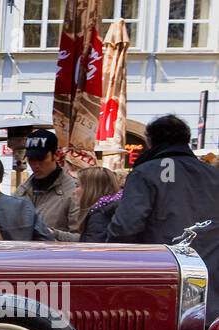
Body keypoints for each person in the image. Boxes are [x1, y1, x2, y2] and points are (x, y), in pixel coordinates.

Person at [109, 114, 219, 319]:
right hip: (211, 286)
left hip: (162, 282)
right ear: (186, 140)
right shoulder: (213, 175)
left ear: (150, 142)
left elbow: (124, 228)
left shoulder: (145, 173)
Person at [16, 129, 82, 240]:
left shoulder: (73, 191)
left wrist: (53, 234)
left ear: (56, 155)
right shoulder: (22, 191)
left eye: (41, 159)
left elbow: (81, 238)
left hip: (57, 256)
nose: (35, 165)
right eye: (31, 159)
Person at [74, 166, 123, 242]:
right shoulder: (112, 209)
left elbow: (91, 249)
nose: (74, 191)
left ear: (90, 189)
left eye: (77, 185)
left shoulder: (99, 216)